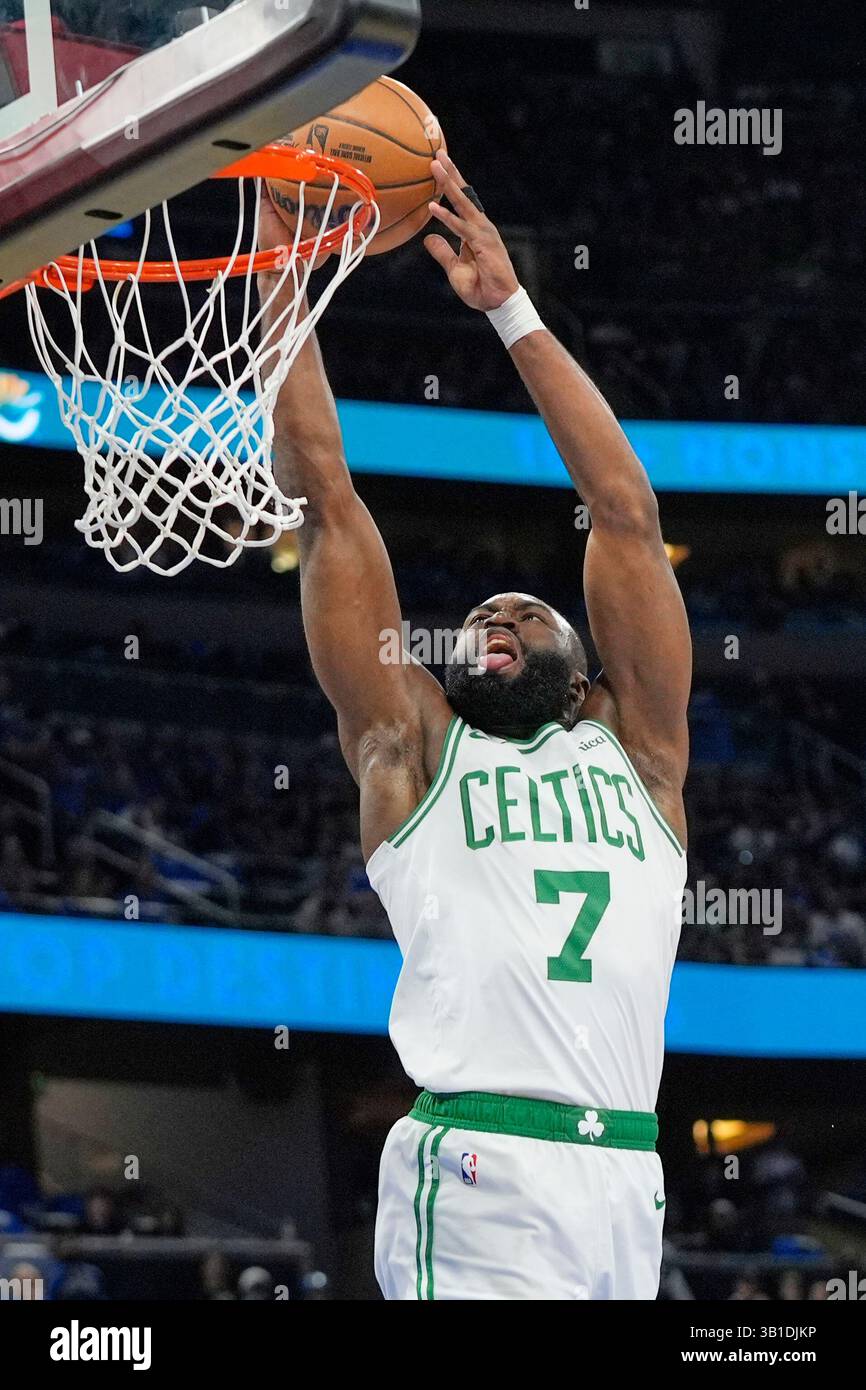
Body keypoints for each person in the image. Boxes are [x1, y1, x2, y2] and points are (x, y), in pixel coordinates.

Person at [257, 150, 690, 1300]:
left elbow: (625, 515)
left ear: (584, 674)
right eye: (479, 616)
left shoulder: (639, 756)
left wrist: (509, 306)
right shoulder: (414, 749)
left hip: (627, 1179)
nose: (492, 615)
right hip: (484, 1165)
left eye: (524, 612)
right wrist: (277, 266)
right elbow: (323, 495)